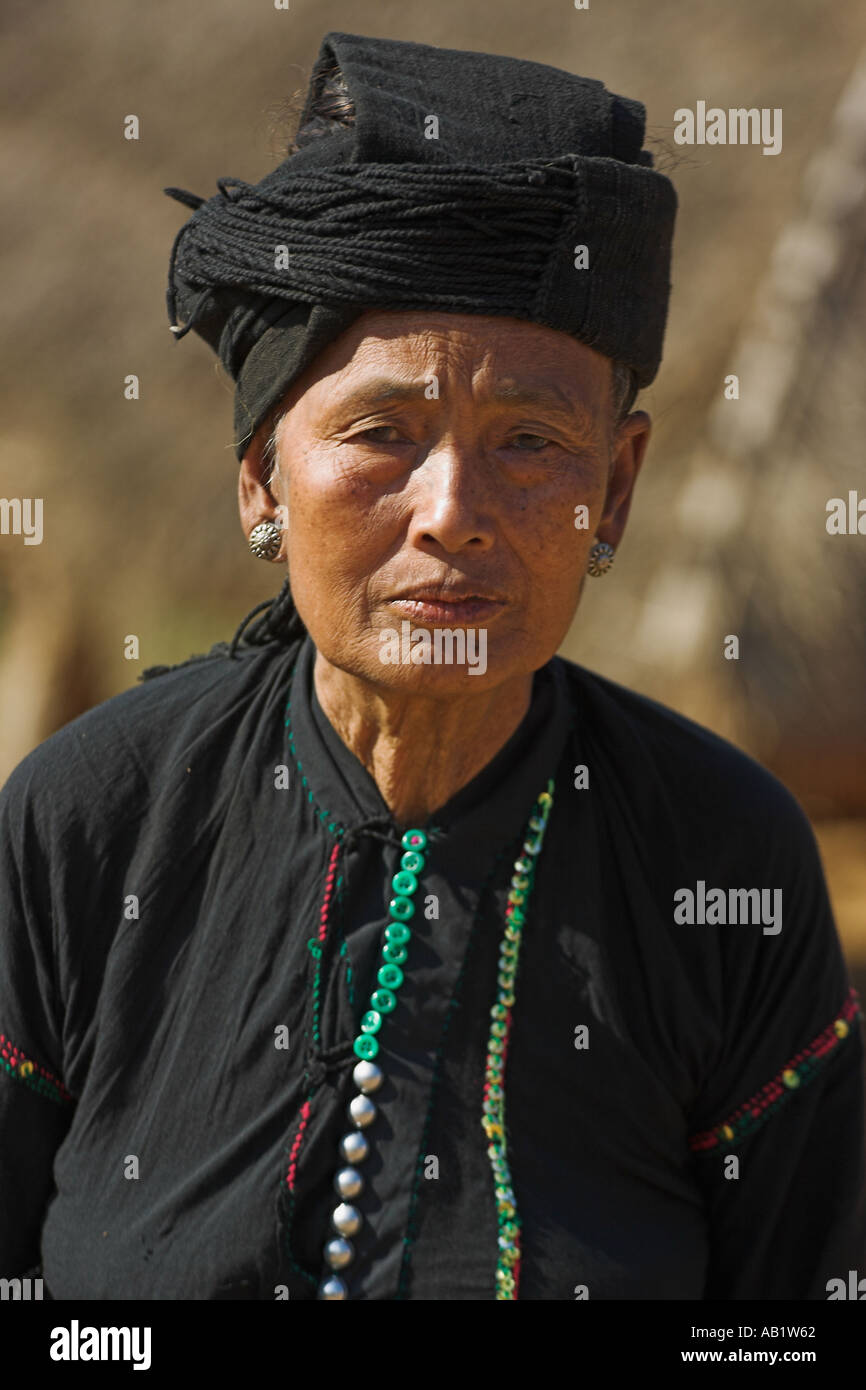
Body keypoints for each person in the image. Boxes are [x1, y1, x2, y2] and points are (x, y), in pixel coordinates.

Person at [1, 30, 863, 1302]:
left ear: (613, 491)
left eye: (529, 440)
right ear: (260, 480)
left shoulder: (721, 859)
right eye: (381, 432)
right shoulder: (89, 821)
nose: (451, 510)